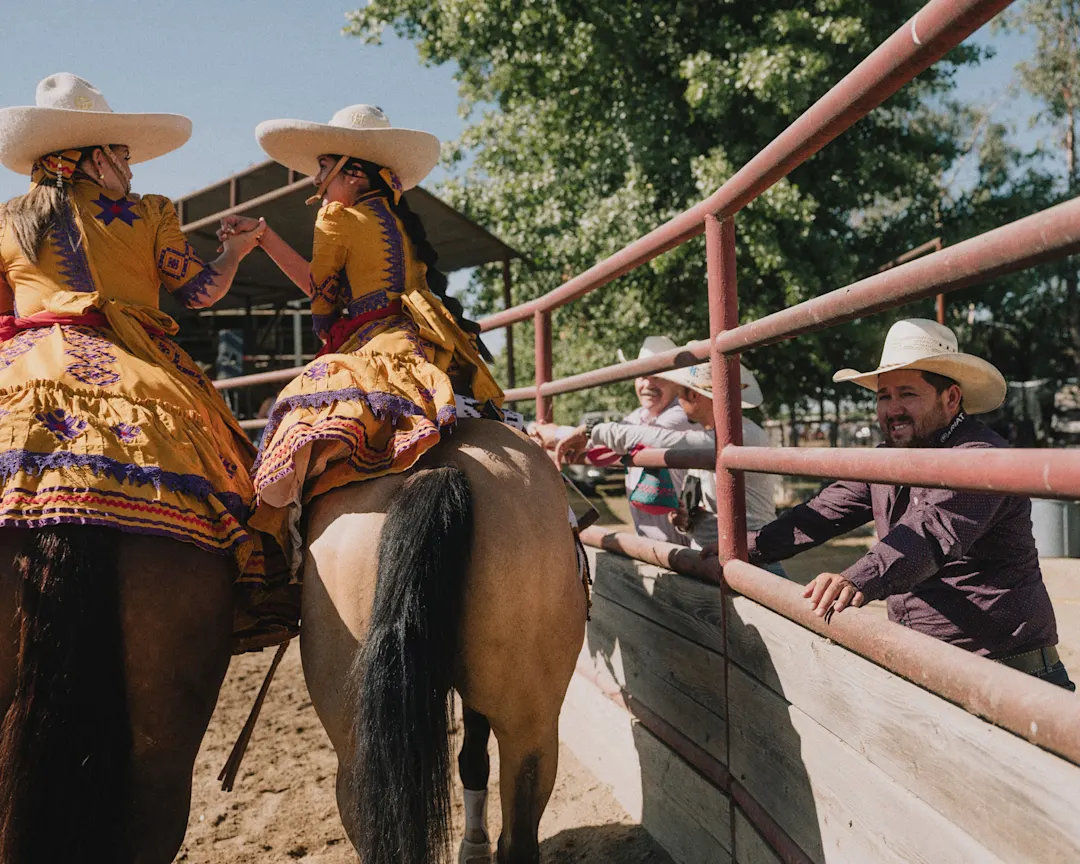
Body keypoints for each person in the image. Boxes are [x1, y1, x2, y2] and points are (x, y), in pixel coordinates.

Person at [0, 73, 274, 859]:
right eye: (118, 148)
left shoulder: (8, 221)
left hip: (24, 371)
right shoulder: (149, 215)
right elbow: (202, 294)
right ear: (87, 159)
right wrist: (231, 250)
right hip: (139, 372)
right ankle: (264, 583)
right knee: (234, 479)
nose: (130, 159)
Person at [217, 104, 506, 569]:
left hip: (374, 341)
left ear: (352, 174)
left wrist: (322, 313)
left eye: (322, 169)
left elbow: (322, 296)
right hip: (426, 340)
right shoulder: (393, 220)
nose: (316, 182)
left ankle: (277, 565)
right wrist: (267, 239)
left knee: (300, 424)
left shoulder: (336, 216)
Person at [747, 318, 1074, 690]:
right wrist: (747, 548)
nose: (893, 409)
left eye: (908, 394)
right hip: (929, 664)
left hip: (1005, 673)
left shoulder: (980, 459)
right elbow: (821, 513)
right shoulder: (888, 458)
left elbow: (931, 533)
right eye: (884, 396)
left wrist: (857, 579)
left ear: (951, 398)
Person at [548, 354, 781, 560]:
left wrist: (594, 430)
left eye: (680, 393)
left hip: (748, 557)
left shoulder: (736, 436)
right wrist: (689, 523)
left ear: (693, 395)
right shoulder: (718, 435)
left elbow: (662, 440)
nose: (678, 401)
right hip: (719, 554)